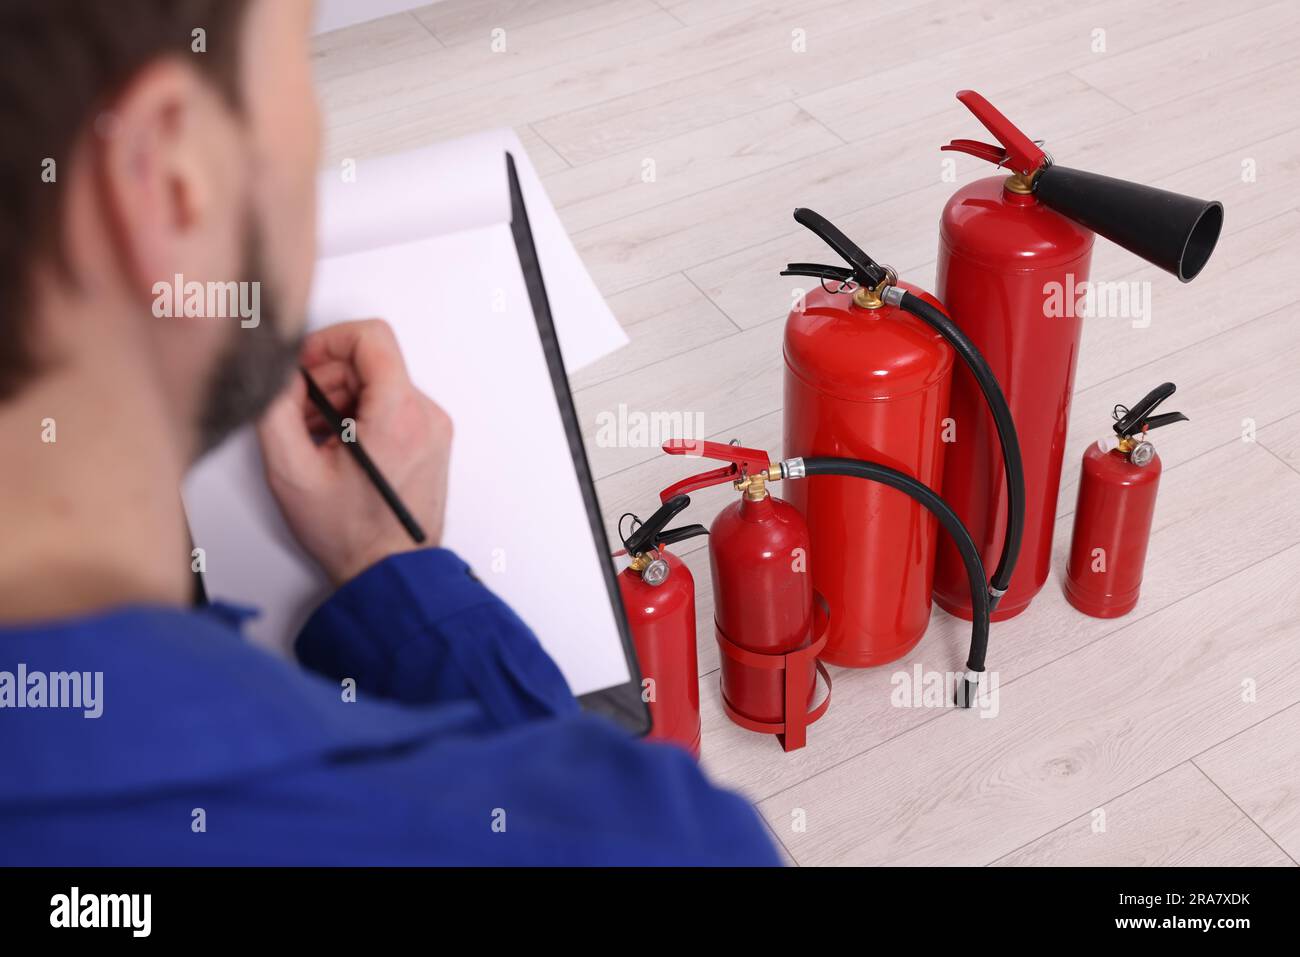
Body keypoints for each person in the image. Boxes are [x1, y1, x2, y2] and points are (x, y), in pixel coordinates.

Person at [0, 0, 780, 865]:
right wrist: (411, 590)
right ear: (172, 179)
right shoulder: (647, 844)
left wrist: (392, 574)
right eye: (303, 57)